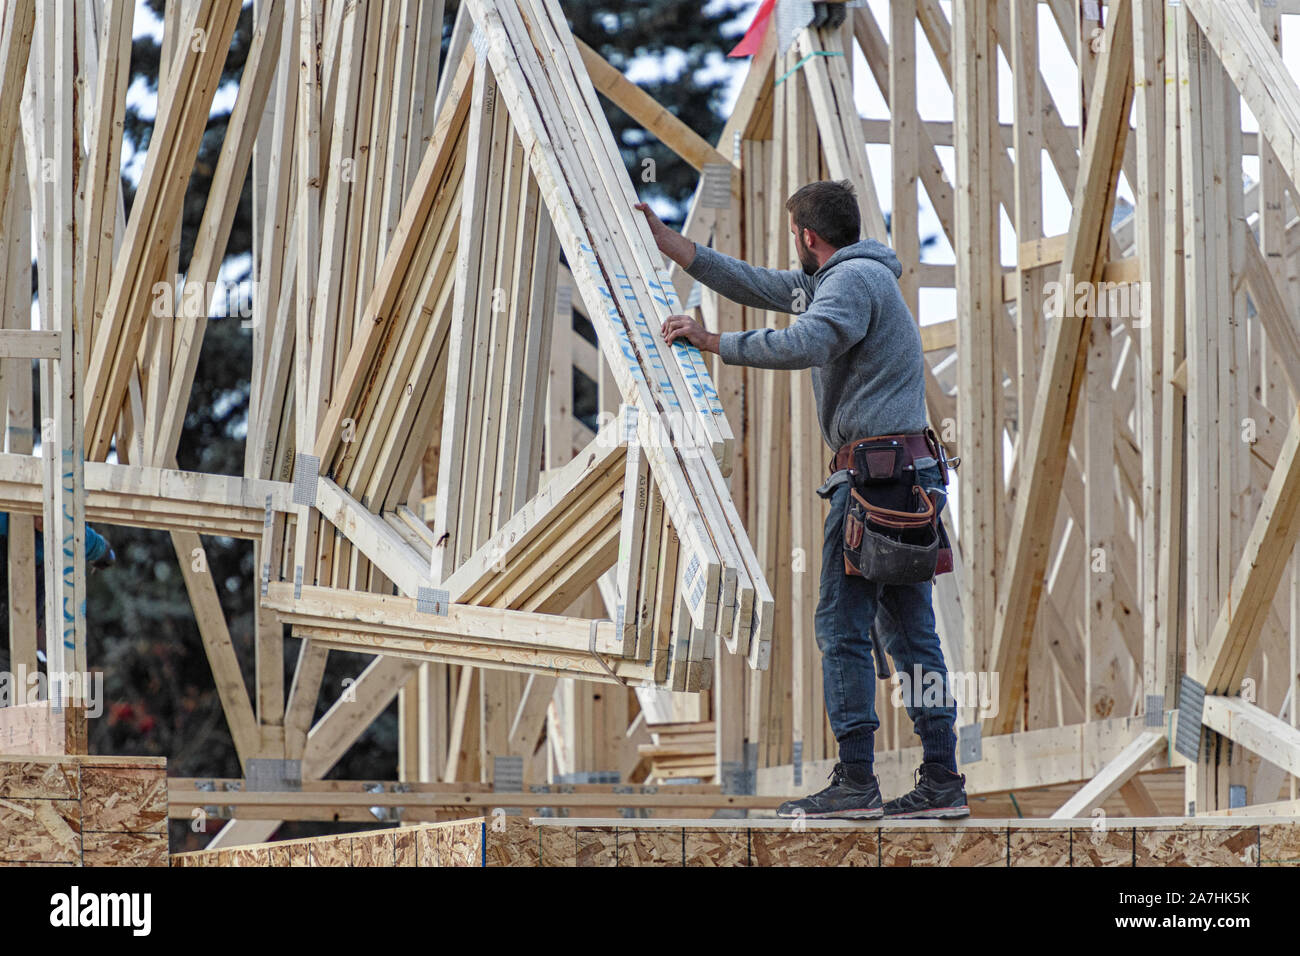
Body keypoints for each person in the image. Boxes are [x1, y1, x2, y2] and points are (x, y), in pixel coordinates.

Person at [636, 180, 968, 819]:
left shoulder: (847, 285)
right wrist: (674, 246)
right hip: (906, 480)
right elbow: (760, 285)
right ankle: (941, 782)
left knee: (840, 627)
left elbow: (807, 343)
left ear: (807, 237)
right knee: (912, 637)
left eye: (796, 239)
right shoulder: (853, 278)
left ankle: (855, 780)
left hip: (874, 484)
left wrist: (714, 344)